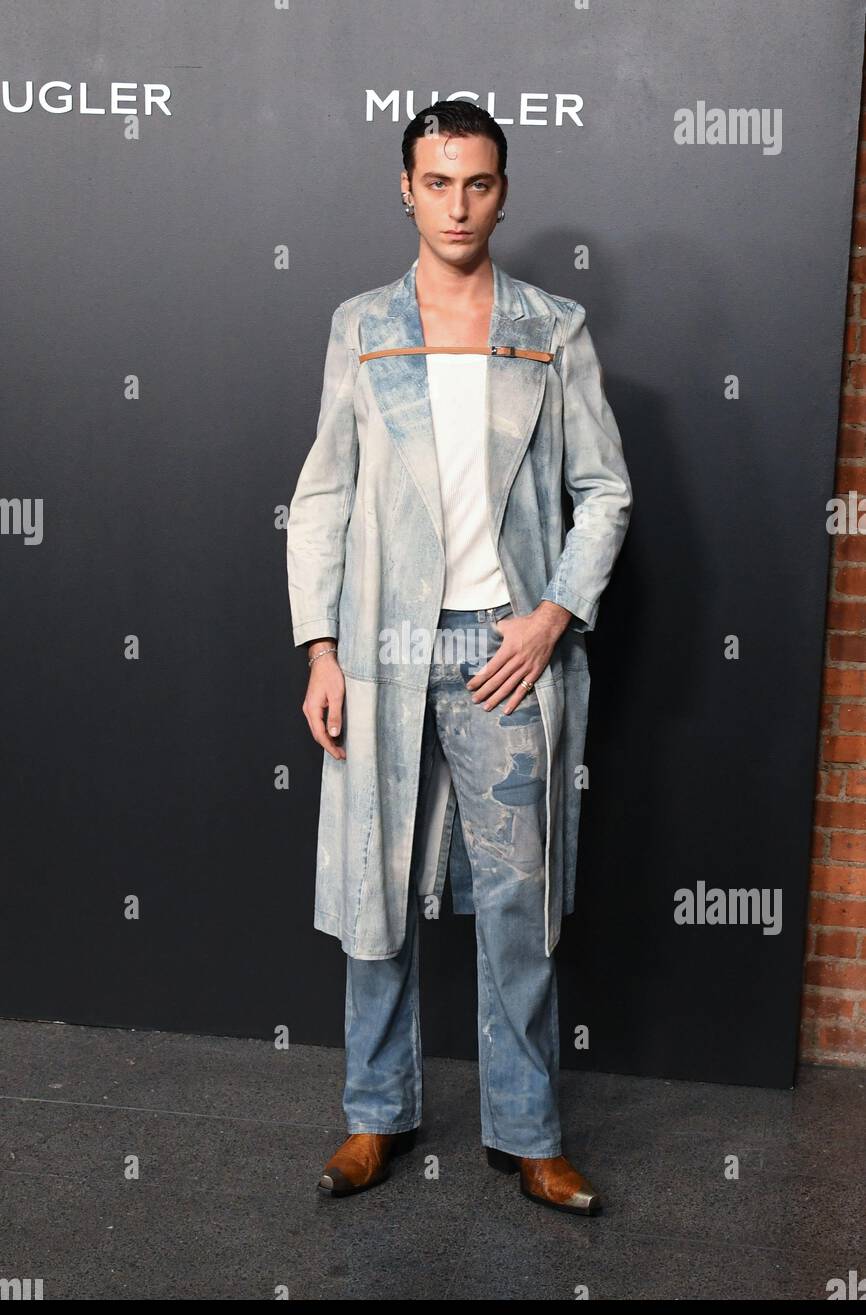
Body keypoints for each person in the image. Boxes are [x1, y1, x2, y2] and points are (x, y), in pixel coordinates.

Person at [286, 99, 632, 1216]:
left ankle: (528, 1133)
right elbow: (323, 495)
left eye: (476, 182)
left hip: (503, 654)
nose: (456, 203)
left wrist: (549, 616)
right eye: (436, 182)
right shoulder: (361, 326)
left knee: (518, 903)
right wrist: (320, 645)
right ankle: (371, 1115)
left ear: (501, 190)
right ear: (405, 187)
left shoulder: (550, 328)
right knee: (373, 891)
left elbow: (605, 494)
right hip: (382, 650)